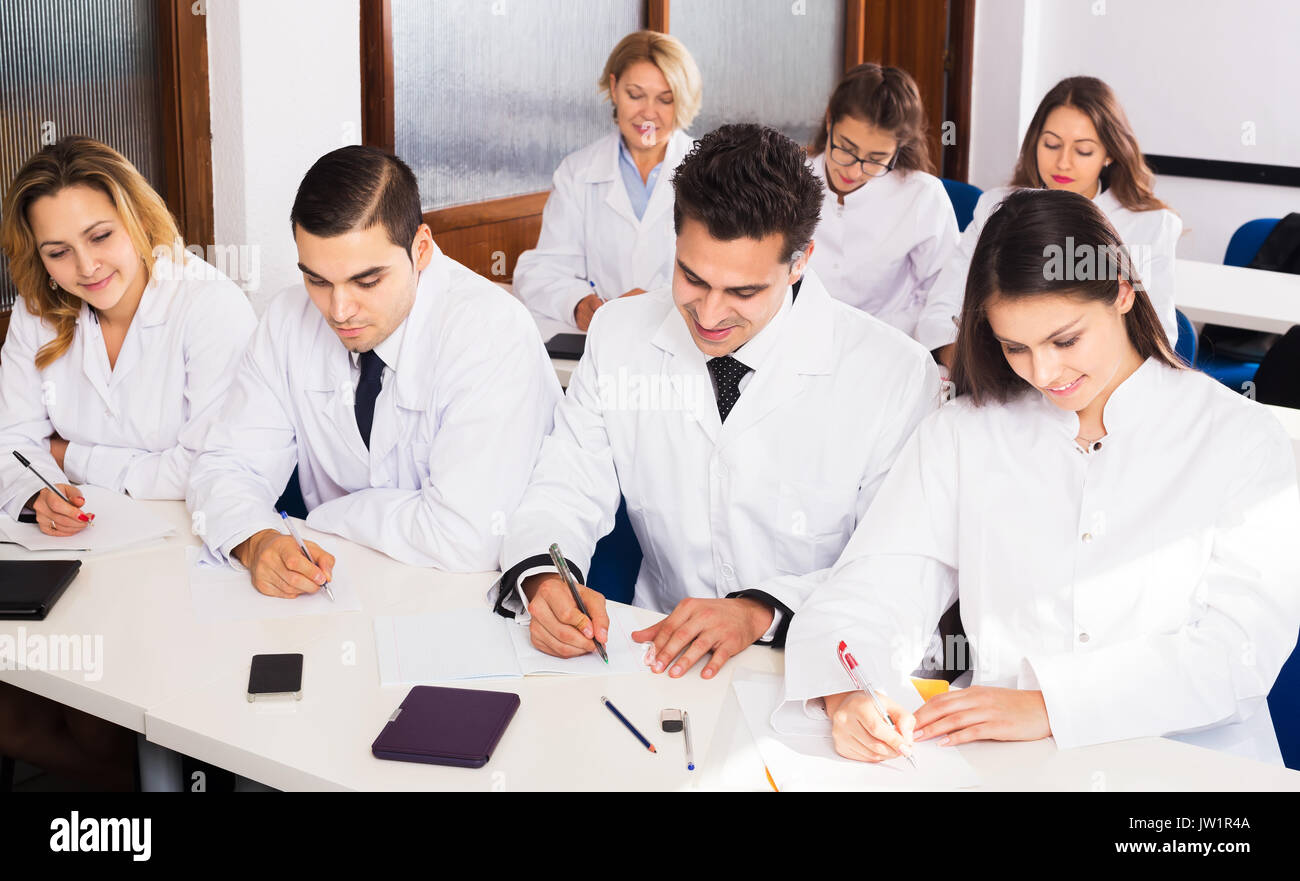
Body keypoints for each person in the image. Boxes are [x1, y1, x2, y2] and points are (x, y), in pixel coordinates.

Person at [784, 188, 1300, 766]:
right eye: (1015, 347)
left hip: (1190, 767)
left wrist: (1052, 704)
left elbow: (1239, 651)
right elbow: (880, 581)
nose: (1044, 372)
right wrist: (852, 687)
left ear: (1123, 291)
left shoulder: (1241, 439)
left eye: (1065, 340)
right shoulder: (964, 432)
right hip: (1003, 765)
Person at [494, 124, 939, 680]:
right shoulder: (619, 335)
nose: (708, 315)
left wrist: (758, 611)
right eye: (692, 277)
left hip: (821, 666)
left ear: (800, 260)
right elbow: (564, 486)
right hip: (657, 664)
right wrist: (544, 578)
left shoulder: (893, 374)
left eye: (744, 292)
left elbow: (898, 564)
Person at [187, 146, 560, 596]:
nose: (339, 310)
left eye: (367, 281)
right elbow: (225, 465)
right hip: (335, 592)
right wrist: (257, 539)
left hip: (464, 601)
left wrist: (321, 520)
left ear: (420, 249)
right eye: (317, 280)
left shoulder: (489, 330)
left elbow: (469, 539)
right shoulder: (287, 318)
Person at [0, 135, 256, 788]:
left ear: (138, 218)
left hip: (188, 558)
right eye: (57, 250)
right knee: (15, 711)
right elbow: (10, 442)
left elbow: (204, 469)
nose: (84, 266)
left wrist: (69, 456)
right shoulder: (38, 309)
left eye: (100, 235)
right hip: (75, 555)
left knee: (94, 710)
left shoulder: (207, 305)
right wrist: (36, 494)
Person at [916, 76, 1182, 368]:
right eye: (1051, 144)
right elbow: (941, 313)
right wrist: (988, 374)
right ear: (1035, 142)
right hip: (998, 376)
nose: (1063, 163)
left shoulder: (1150, 226)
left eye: (1083, 150)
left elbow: (1155, 340)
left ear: (1109, 154)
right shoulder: (996, 208)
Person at [513, 30, 702, 331]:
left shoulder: (710, 172)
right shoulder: (578, 173)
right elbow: (542, 270)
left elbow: (731, 275)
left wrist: (657, 303)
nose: (648, 114)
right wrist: (576, 303)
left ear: (682, 101)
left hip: (688, 340)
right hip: (606, 340)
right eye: (635, 95)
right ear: (614, 89)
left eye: (665, 100)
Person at [804, 63, 958, 337]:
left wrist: (879, 337)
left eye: (876, 160)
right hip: (798, 337)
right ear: (830, 121)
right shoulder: (788, 180)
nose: (853, 171)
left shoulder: (922, 197)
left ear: (899, 147)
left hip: (891, 341)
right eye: (846, 149)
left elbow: (944, 293)